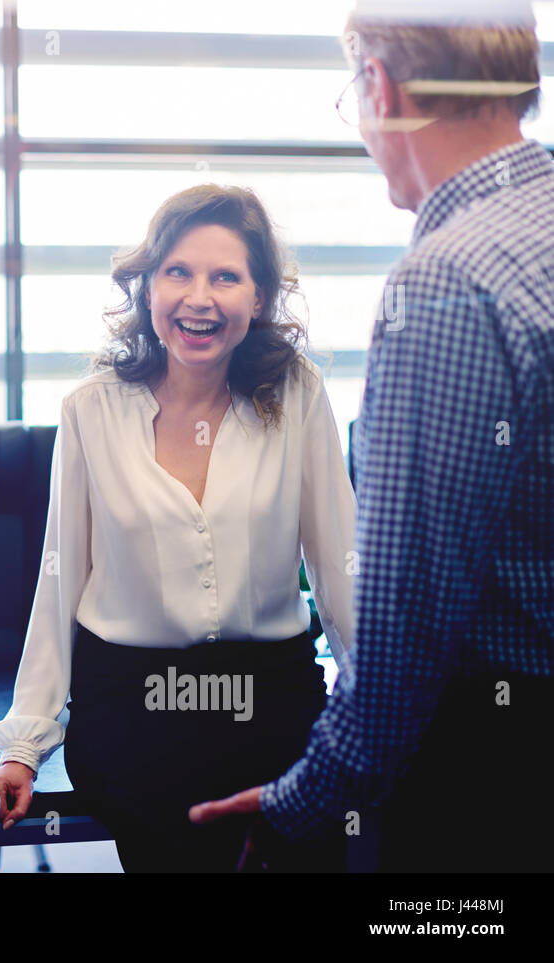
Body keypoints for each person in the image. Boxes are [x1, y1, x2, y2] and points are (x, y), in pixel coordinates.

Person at [190, 0, 553, 873]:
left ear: (380, 85)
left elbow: (409, 613)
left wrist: (303, 804)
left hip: (492, 762)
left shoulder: (447, 282)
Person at [0, 185, 357, 872]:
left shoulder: (297, 390)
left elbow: (340, 562)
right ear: (147, 285)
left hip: (269, 687)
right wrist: (24, 742)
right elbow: (59, 578)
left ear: (259, 297)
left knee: (311, 839)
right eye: (178, 272)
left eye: (226, 276)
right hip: (133, 696)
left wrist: (375, 704)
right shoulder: (90, 408)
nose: (199, 297)